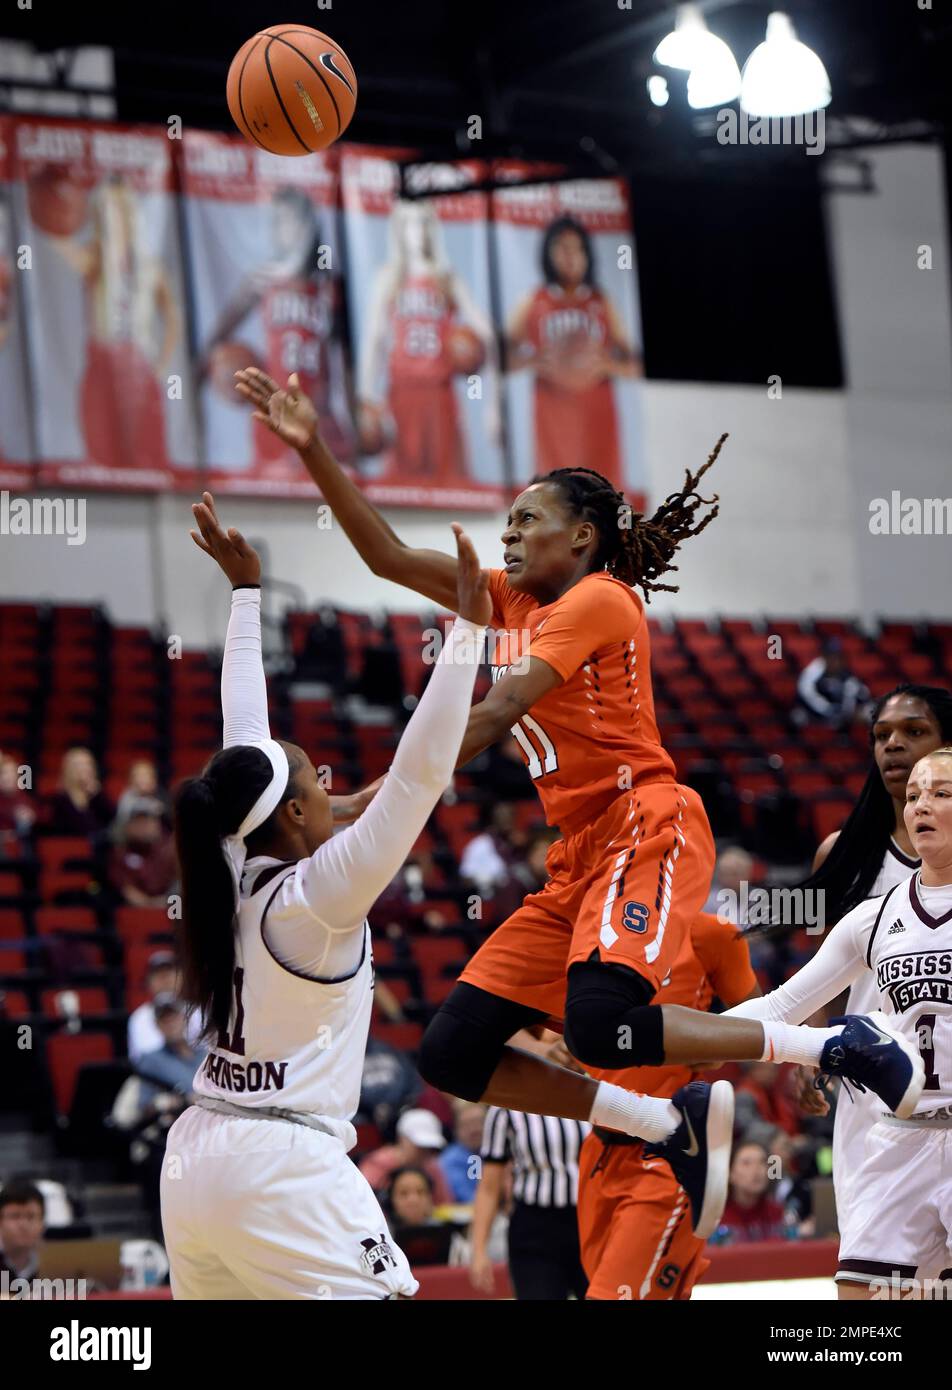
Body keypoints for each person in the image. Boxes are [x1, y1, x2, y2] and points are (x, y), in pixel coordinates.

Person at [235, 366, 925, 1241]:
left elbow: (496, 710)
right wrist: (311, 448)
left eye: (529, 520)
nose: (511, 534)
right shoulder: (505, 594)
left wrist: (371, 802)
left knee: (601, 1024)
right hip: (576, 857)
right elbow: (378, 553)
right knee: (451, 1053)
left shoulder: (600, 599)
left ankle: (829, 1046)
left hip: (646, 824)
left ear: (584, 537)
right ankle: (660, 1126)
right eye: (510, 522)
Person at [159, 493, 489, 1300]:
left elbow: (244, 732)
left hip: (195, 1158)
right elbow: (418, 774)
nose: (330, 785)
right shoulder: (315, 898)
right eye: (317, 780)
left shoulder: (226, 856)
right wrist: (470, 631)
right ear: (297, 813)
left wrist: (246, 594)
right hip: (280, 1169)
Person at [722, 746, 952, 1299]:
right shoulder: (874, 918)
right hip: (900, 1138)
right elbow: (781, 1006)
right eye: (915, 794)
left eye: (941, 793)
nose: (922, 803)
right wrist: (682, 1032)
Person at [775, 684, 952, 1264]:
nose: (893, 745)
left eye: (914, 732)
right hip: (872, 1091)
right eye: (881, 735)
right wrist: (809, 1050)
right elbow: (820, 973)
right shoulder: (843, 853)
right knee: (874, 1263)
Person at [201, 185, 354, 475]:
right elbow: (221, 331)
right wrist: (200, 373)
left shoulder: (329, 287)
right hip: (277, 414)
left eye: (288, 219)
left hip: (319, 415)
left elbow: (345, 361)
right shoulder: (263, 279)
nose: (281, 228)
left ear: (308, 224)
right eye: (276, 221)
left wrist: (355, 423)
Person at [356, 199, 498, 485]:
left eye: (423, 222)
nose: (417, 231)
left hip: (440, 397)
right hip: (401, 396)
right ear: (398, 230)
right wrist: (366, 402)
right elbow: (374, 341)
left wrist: (494, 405)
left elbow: (489, 335)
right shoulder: (388, 279)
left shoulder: (447, 280)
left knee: (449, 482)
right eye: (409, 223)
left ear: (433, 228)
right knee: (400, 486)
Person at [505, 215, 642, 488]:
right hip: (552, 414)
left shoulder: (601, 301)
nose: (569, 256)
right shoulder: (533, 301)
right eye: (562, 247)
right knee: (558, 498)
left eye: (576, 248)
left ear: (586, 255)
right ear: (548, 252)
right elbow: (498, 361)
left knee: (600, 498)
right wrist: (531, 360)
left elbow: (637, 365)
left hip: (597, 413)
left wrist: (608, 366)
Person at [470, 1094, 589, 1300]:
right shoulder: (506, 1107)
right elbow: (489, 1186)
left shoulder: (593, 1091)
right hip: (535, 1228)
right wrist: (479, 1249)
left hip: (590, 1223)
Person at [358, 1108, 454, 1206]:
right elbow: (362, 1203)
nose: (424, 1152)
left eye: (429, 1147)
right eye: (419, 1146)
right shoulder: (377, 1165)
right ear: (402, 1139)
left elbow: (444, 1205)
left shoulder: (432, 1167)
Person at [127, 951, 202, 1062]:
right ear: (148, 982)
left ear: (181, 977)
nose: (165, 979)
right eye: (158, 974)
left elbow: (209, 1054)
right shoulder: (140, 1018)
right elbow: (149, 1062)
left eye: (169, 973)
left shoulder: (198, 1012)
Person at [715, 1141, 788, 1244]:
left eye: (762, 1162)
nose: (756, 1170)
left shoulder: (777, 1213)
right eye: (746, 1163)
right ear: (730, 1173)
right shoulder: (716, 1218)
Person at [108, 802, 178, 908]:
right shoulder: (121, 853)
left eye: (148, 820)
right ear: (128, 826)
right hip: (134, 911)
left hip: (172, 908)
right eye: (138, 821)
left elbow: (180, 884)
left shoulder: (172, 849)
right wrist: (149, 904)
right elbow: (126, 888)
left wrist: (166, 901)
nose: (144, 826)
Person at [795, 640, 869, 730]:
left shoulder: (845, 672)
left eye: (837, 657)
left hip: (839, 713)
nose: (834, 660)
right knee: (798, 717)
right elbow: (807, 694)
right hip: (813, 712)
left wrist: (848, 710)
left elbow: (861, 692)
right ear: (824, 657)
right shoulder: (813, 671)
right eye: (830, 656)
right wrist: (830, 710)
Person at [46, 747, 114, 836]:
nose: (85, 769)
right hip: (71, 846)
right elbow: (78, 828)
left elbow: (110, 821)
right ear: (69, 769)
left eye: (88, 764)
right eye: (79, 765)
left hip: (98, 846)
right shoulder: (59, 799)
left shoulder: (98, 796)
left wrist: (97, 795)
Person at [439, 1103, 486, 1203]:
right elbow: (468, 1198)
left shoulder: (500, 1152)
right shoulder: (451, 1160)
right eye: (467, 1125)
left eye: (479, 1122)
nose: (474, 1129)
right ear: (456, 1130)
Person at [0, 1178, 45, 1281]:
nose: (23, 1225)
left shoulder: (57, 1264)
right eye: (15, 1216)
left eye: (31, 1216)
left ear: (42, 1223)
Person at [114, 760, 168, 830]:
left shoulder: (162, 796)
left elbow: (167, 819)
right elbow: (122, 821)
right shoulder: (127, 797)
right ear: (131, 780)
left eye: (147, 775)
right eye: (139, 775)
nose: (143, 779)